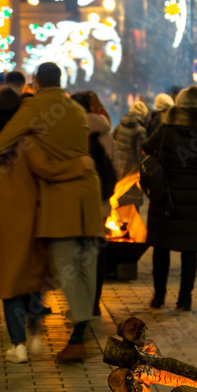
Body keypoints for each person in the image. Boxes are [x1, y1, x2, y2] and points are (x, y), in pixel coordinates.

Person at [0, 62, 103, 363]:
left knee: (67, 269)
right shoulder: (75, 108)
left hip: (61, 199)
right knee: (87, 267)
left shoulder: (35, 107)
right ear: (61, 80)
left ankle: (77, 341)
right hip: (89, 195)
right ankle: (81, 333)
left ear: (35, 83)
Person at [142, 86, 197, 311]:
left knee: (161, 247)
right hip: (194, 197)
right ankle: (185, 300)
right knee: (189, 250)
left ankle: (158, 297)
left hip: (166, 196)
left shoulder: (166, 128)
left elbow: (146, 147)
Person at [72, 90, 118, 316]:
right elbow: (114, 167)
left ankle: (79, 301)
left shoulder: (69, 131)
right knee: (96, 248)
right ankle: (94, 302)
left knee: (75, 250)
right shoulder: (105, 131)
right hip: (100, 200)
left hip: (73, 200)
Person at [113, 100, 148, 209]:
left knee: (118, 209)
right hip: (131, 176)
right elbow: (141, 156)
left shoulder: (119, 125)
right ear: (143, 114)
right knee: (132, 214)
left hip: (117, 171)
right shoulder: (140, 130)